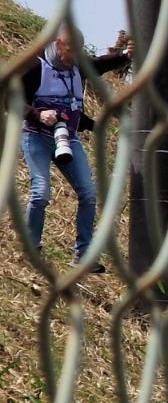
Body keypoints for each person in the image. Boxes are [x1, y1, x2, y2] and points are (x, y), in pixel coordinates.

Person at [20, 24, 130, 271]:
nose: (75, 59)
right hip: (36, 136)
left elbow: (99, 64)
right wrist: (38, 114)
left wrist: (125, 56)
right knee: (41, 193)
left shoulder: (77, 66)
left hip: (68, 139)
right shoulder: (38, 67)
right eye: (71, 52)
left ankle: (84, 256)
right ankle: (31, 247)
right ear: (58, 45)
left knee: (89, 193)